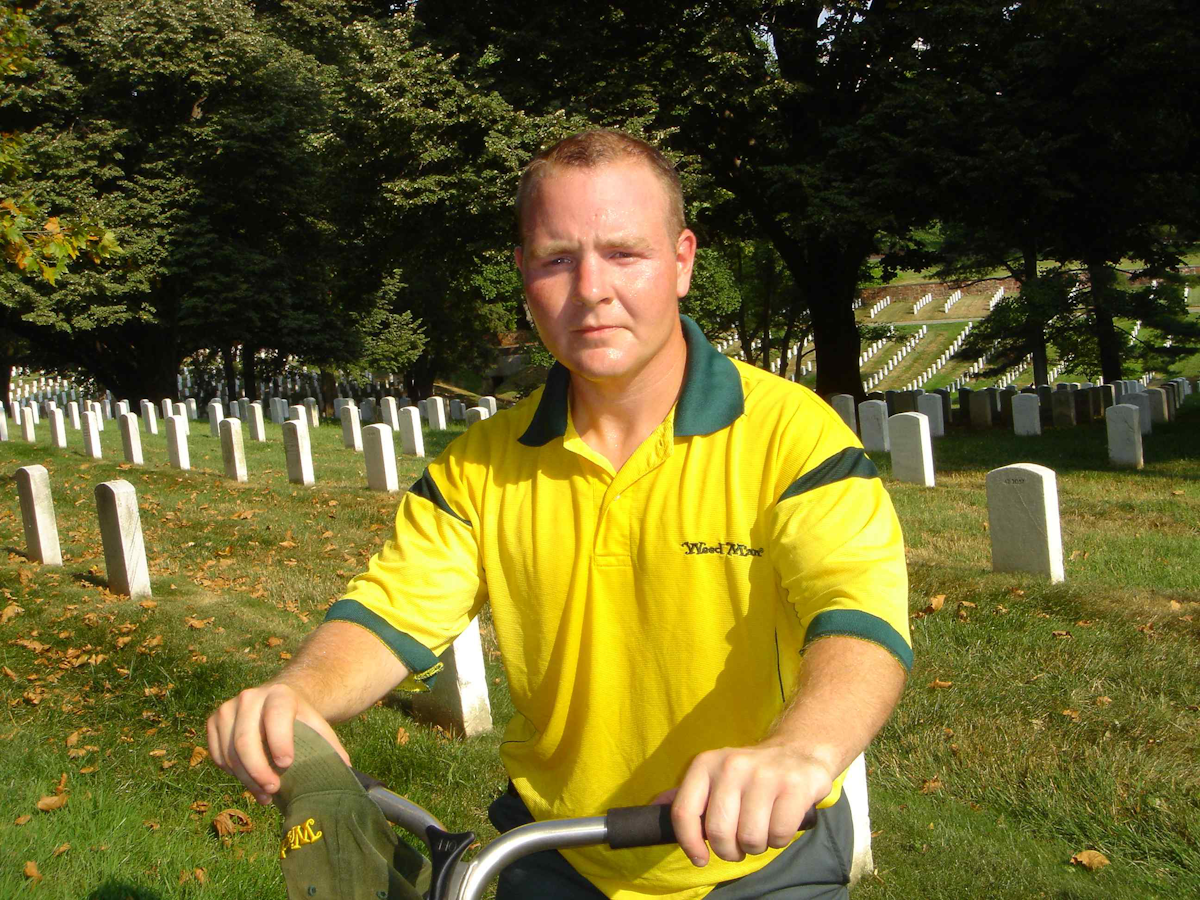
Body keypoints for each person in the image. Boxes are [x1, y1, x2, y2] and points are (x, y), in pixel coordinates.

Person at [208, 129, 911, 900]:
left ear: (682, 261)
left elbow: (858, 617)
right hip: (557, 854)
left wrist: (799, 752)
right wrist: (299, 695)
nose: (591, 289)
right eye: (556, 259)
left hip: (761, 859)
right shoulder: (480, 465)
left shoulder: (793, 436)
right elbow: (388, 613)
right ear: (523, 274)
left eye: (624, 253)